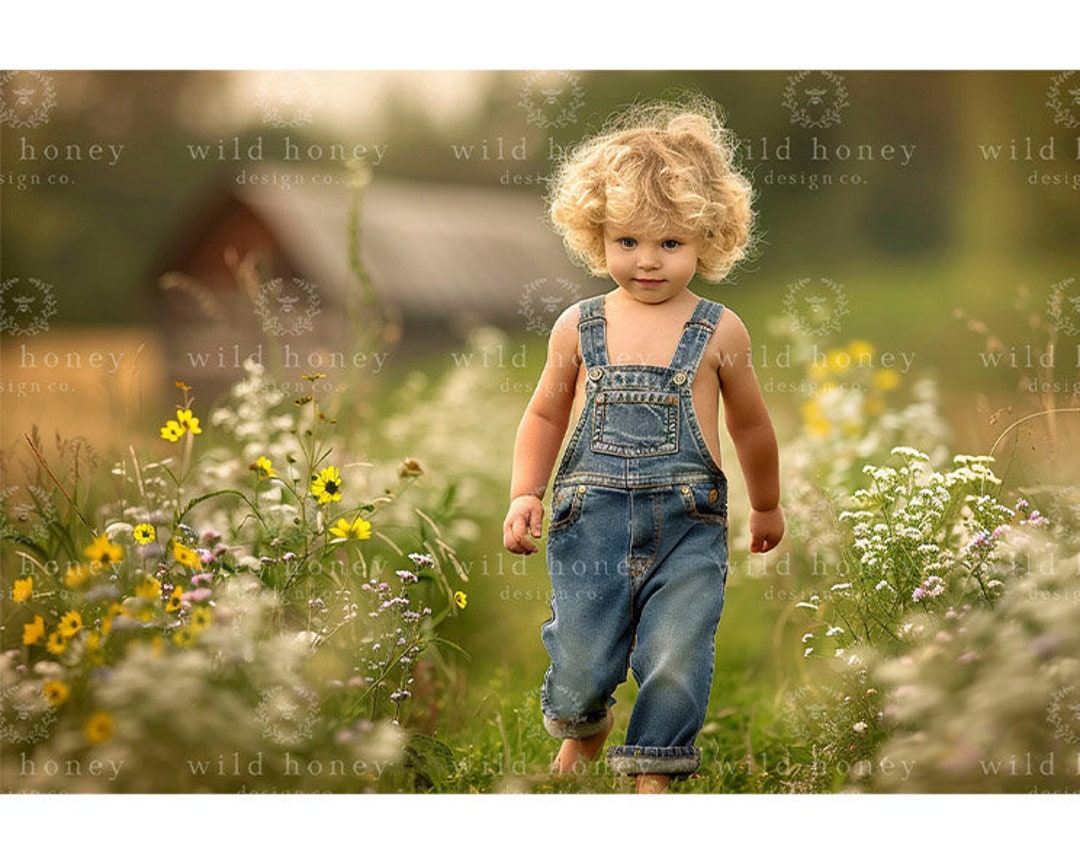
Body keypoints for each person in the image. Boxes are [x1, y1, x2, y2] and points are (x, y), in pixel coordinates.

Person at [502, 97, 784, 794]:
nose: (648, 262)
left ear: (709, 239)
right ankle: (583, 721)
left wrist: (768, 506)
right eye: (628, 242)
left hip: (686, 527)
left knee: (677, 652)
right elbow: (544, 414)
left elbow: (750, 425)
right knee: (579, 658)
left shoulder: (720, 331)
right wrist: (525, 492)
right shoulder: (578, 325)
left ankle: (655, 767)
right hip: (588, 520)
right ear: (596, 235)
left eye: (670, 243)